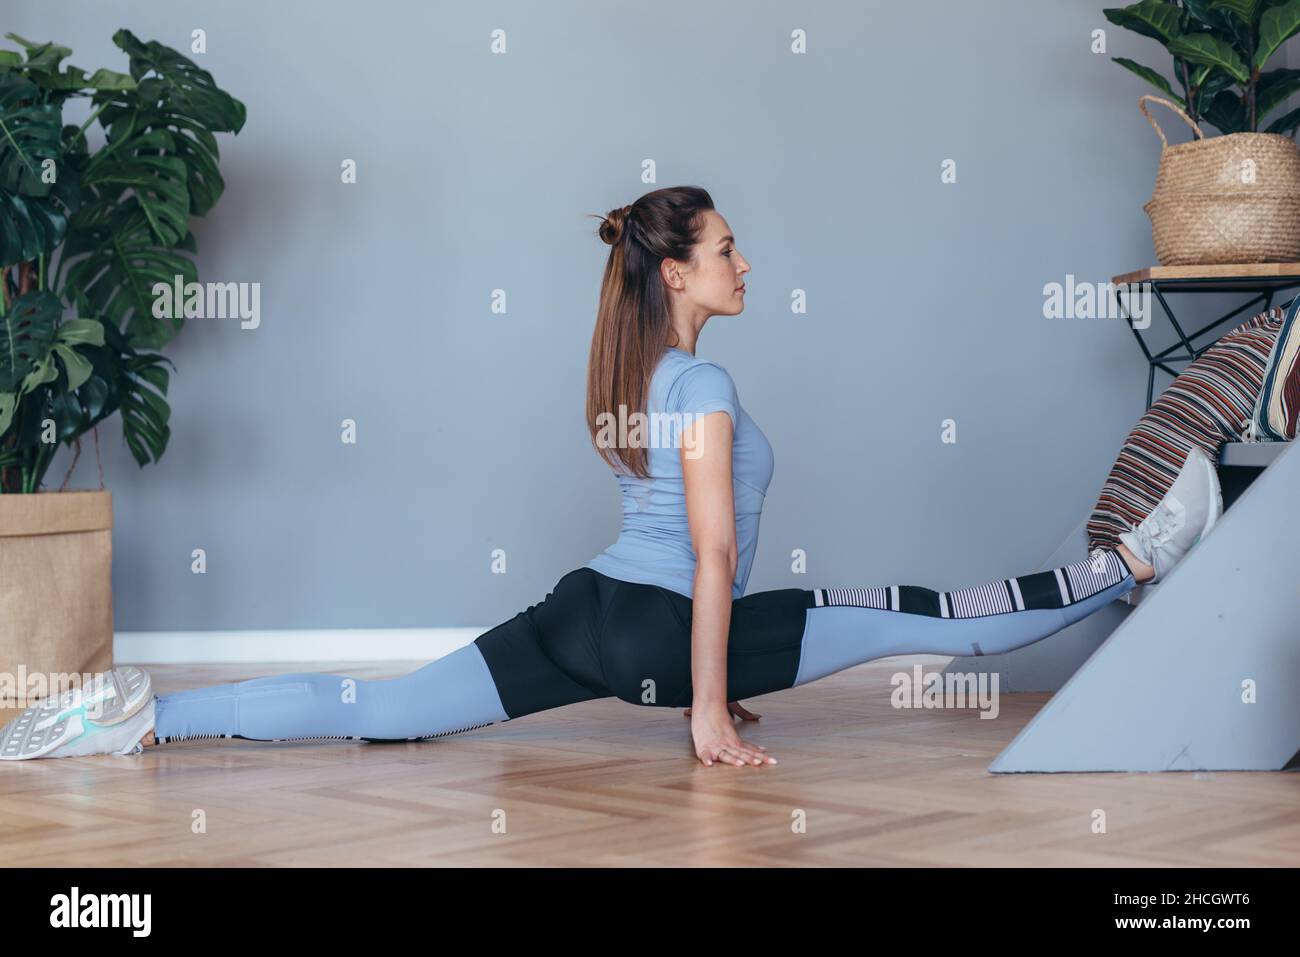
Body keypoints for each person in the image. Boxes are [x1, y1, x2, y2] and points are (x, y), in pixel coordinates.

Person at [0, 186, 1236, 768]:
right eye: (728, 248)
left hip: (590, 609)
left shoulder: (644, 372)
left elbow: (691, 552)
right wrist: (705, 710)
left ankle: (133, 718)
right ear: (680, 275)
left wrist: (728, 685)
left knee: (375, 706)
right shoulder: (700, 386)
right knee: (933, 622)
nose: (747, 260)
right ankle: (1136, 555)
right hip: (652, 623)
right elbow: (708, 557)